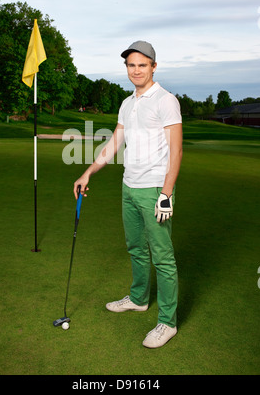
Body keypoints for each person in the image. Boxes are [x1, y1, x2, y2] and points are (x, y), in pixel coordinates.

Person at [73, 41, 183, 348]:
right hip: (129, 186)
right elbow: (113, 145)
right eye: (131, 65)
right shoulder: (127, 103)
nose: (136, 70)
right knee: (135, 247)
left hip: (154, 191)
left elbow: (176, 150)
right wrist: (88, 172)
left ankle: (168, 322)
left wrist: (166, 192)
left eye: (142, 65)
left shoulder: (166, 101)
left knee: (162, 258)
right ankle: (138, 299)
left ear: (153, 67)